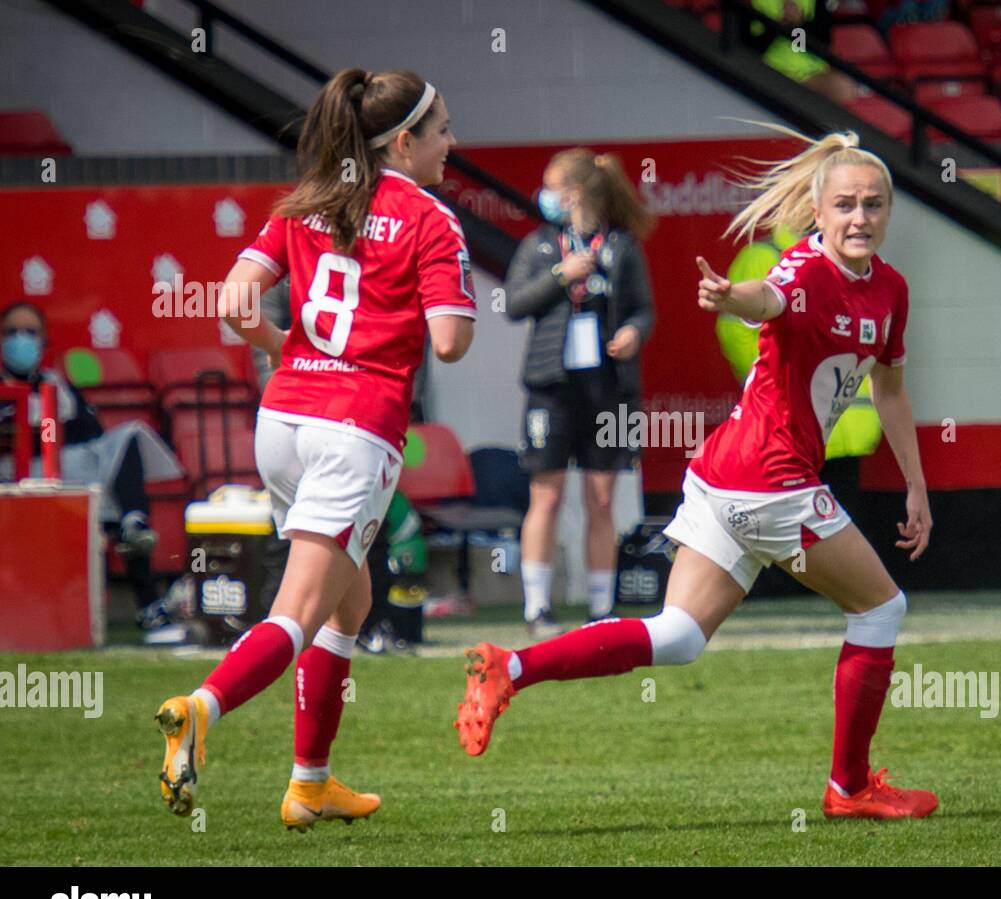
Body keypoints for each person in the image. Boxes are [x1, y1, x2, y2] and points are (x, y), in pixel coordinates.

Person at [459, 127, 940, 821]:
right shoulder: (803, 272)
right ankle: (849, 787)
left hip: (724, 476)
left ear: (888, 212)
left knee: (679, 637)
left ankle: (512, 667)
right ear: (817, 210)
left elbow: (891, 391)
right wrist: (729, 297)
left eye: (872, 205)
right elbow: (766, 299)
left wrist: (916, 483)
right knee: (881, 608)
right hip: (769, 481)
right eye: (844, 206)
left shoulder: (890, 291)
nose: (859, 218)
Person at [153, 67, 475, 829]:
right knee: (294, 613)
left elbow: (235, 302)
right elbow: (452, 343)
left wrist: (284, 345)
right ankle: (201, 708)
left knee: (350, 600)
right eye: (444, 131)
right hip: (354, 431)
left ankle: (310, 784)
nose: (453, 144)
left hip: (284, 421)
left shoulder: (309, 202)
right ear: (404, 141)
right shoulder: (431, 218)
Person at [505, 149, 656, 637]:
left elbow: (644, 310)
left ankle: (599, 608)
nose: (544, 196)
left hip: (609, 390)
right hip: (550, 387)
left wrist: (633, 333)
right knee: (545, 495)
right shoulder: (541, 245)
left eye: (552, 187)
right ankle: (536, 608)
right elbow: (514, 303)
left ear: (577, 192)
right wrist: (561, 276)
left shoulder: (621, 246)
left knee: (603, 498)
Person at [1, 300, 183, 636]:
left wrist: (49, 426)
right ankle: (146, 595)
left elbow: (90, 429)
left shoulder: (55, 382)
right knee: (98, 491)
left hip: (70, 466)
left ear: (43, 342)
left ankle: (134, 525)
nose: (20, 340)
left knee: (127, 437)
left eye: (29, 332)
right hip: (19, 477)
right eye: (11, 332)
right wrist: (44, 426)